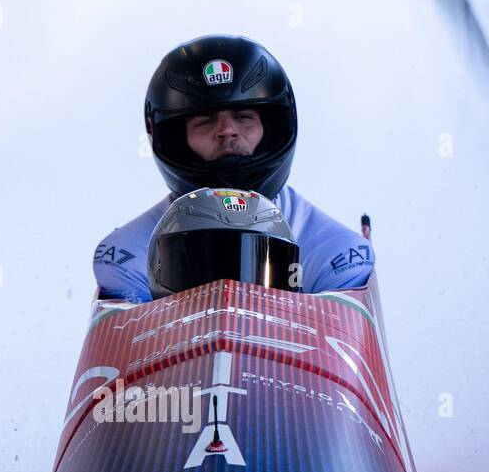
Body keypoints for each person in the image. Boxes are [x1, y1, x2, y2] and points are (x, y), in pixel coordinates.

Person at [94, 34, 375, 302]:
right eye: (204, 121)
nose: (227, 131)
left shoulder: (338, 255)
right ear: (175, 140)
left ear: (272, 129)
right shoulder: (124, 258)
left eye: (243, 117)